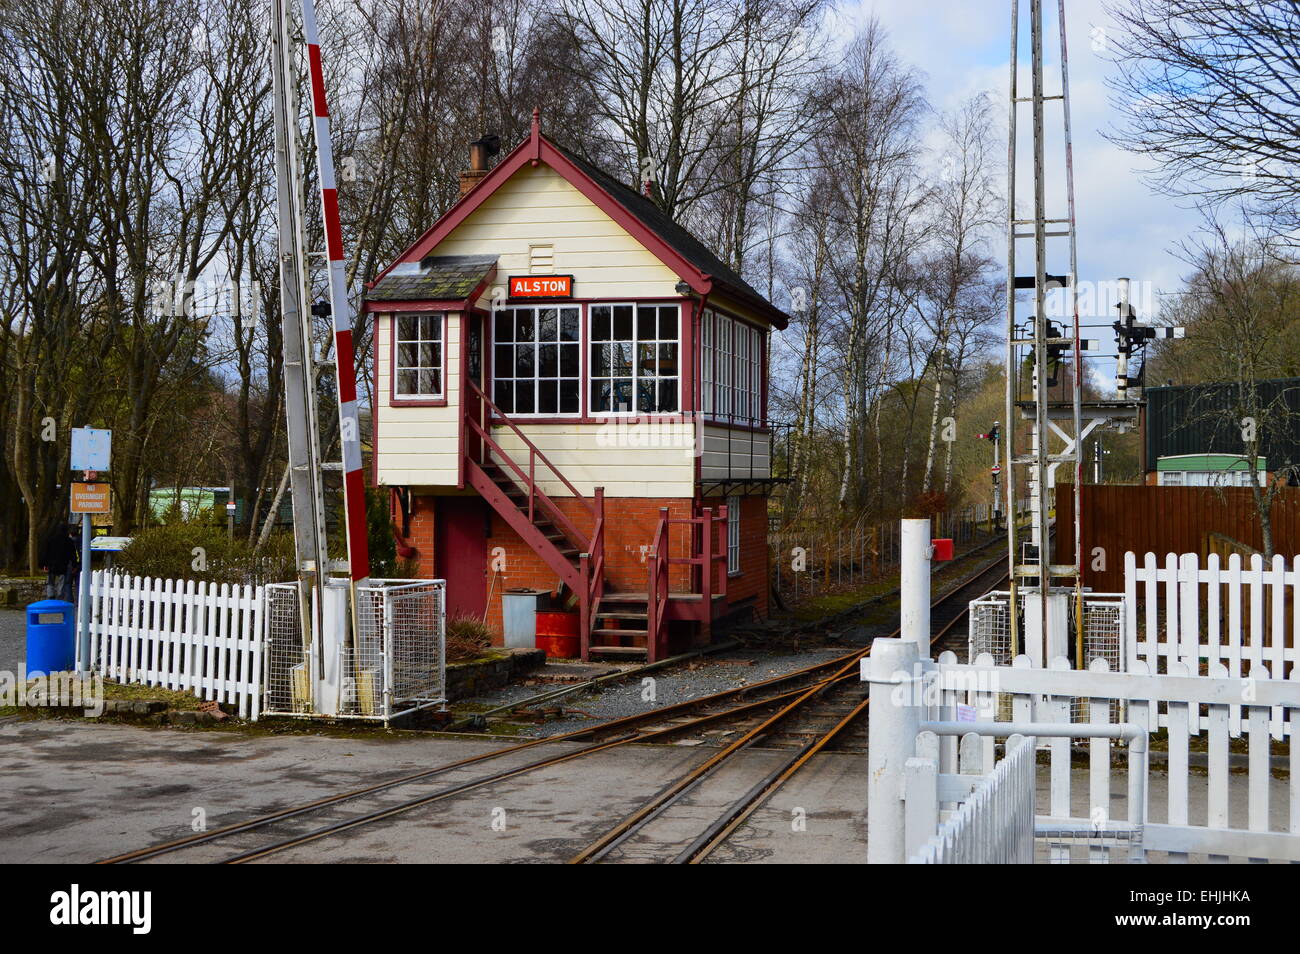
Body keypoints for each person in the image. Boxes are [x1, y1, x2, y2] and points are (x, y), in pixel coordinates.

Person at [39, 522, 79, 602]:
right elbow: (73, 554)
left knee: (51, 581)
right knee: (62, 581)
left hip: (52, 564)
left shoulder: (51, 539)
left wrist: (44, 564)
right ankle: (60, 598)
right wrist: (74, 565)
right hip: (63, 564)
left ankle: (50, 596)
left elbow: (46, 552)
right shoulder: (68, 541)